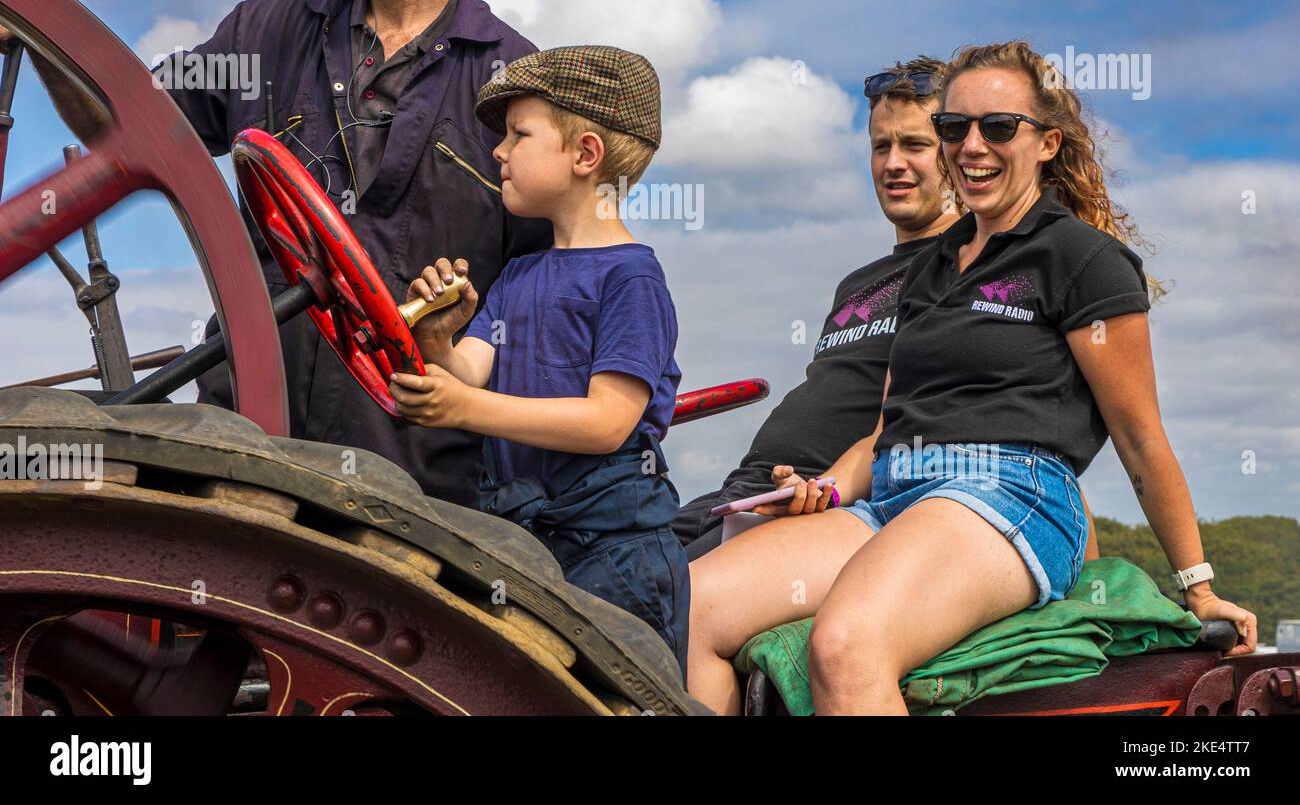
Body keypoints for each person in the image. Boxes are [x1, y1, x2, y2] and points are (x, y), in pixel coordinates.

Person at [5, 0, 550, 506]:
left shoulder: (515, 83)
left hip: (416, 486)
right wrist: (47, 37)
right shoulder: (262, 33)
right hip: (244, 447)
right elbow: (125, 121)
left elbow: (543, 290)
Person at [687, 40, 1257, 714]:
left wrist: (1197, 586)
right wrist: (826, 492)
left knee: (846, 646)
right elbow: (884, 429)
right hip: (893, 497)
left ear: (1047, 142)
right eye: (954, 128)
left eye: (998, 126)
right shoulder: (931, 269)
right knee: (690, 609)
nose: (971, 145)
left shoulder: (1082, 259)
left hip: (1010, 494)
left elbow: (1140, 439)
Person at [674, 57, 1103, 562]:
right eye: (881, 146)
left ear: (952, 152)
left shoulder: (982, 274)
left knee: (652, 602)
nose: (893, 163)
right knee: (598, 571)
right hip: (754, 486)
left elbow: (1023, 425)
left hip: (829, 505)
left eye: (915, 145)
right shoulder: (857, 282)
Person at [388, 46, 690, 677]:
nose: (498, 152)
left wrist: (466, 408)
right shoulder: (519, 274)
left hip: (616, 555)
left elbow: (608, 422)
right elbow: (467, 373)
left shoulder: (631, 278)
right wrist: (439, 342)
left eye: (519, 135)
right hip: (528, 546)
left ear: (585, 155)